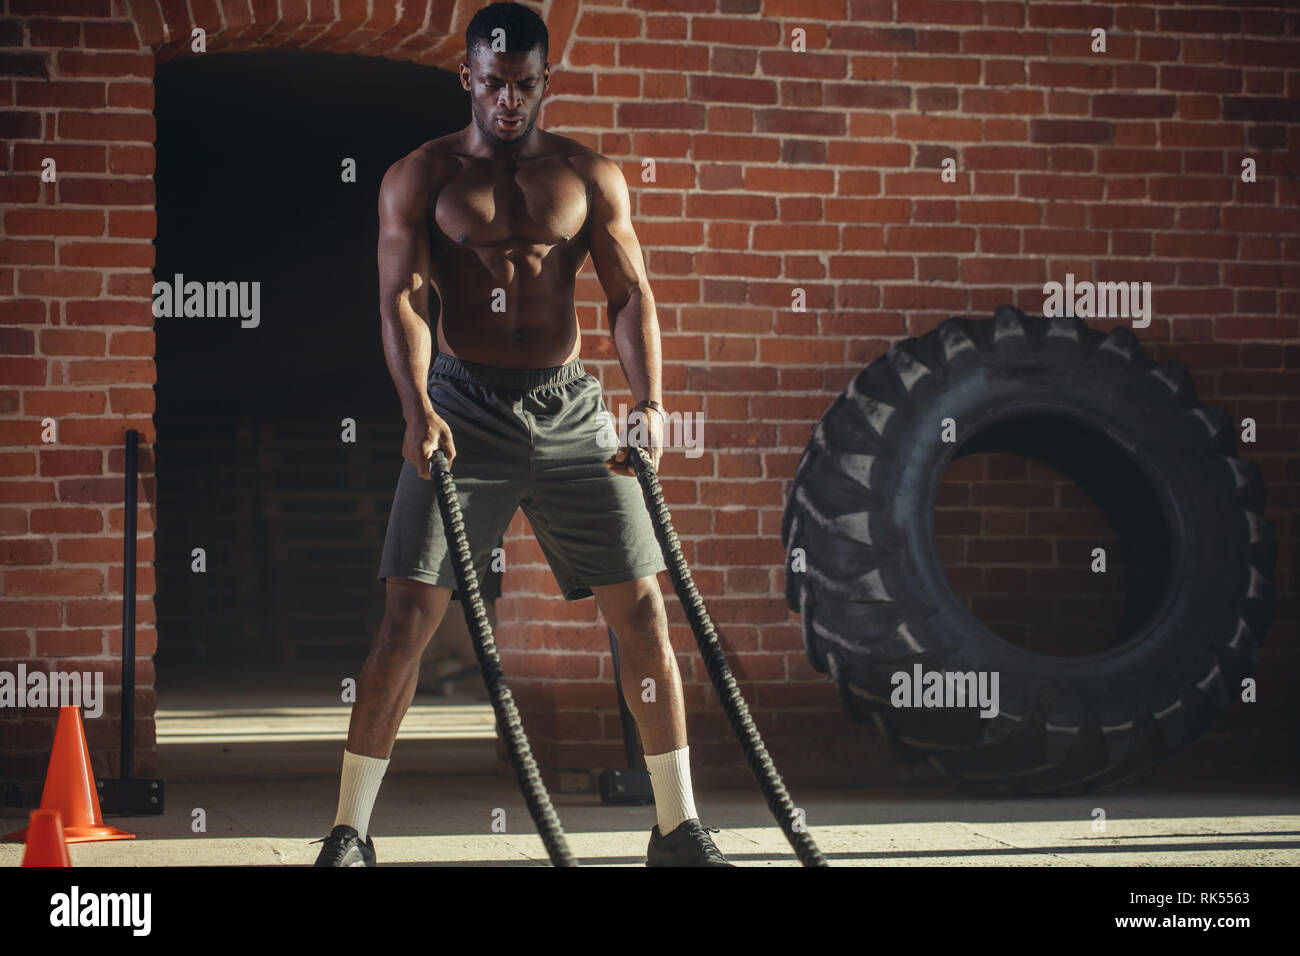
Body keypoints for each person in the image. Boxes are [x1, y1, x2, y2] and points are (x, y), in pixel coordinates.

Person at [313, 1, 732, 867]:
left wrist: (649, 403)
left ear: (546, 83)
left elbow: (629, 294)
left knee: (645, 609)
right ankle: (351, 832)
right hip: (462, 405)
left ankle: (676, 828)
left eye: (526, 85)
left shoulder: (588, 174)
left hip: (570, 406)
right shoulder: (419, 177)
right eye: (495, 83)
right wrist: (418, 407)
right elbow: (402, 300)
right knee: (406, 617)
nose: (510, 100)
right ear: (468, 76)